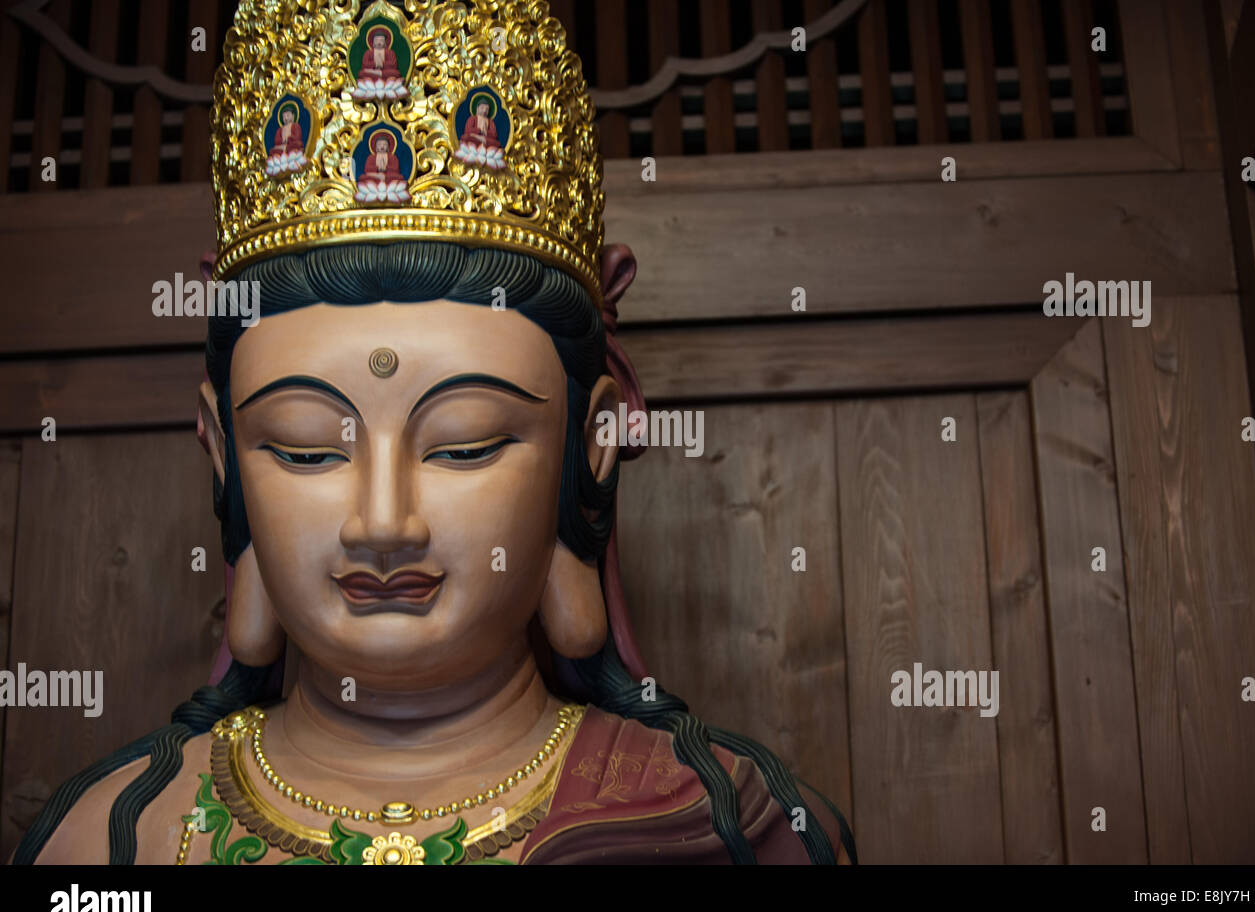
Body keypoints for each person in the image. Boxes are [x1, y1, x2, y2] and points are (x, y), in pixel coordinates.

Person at [13, 0, 855, 866]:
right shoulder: (115, 840)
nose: (383, 524)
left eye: (464, 445)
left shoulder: (732, 828)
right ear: (222, 455)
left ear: (591, 444)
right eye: (307, 448)